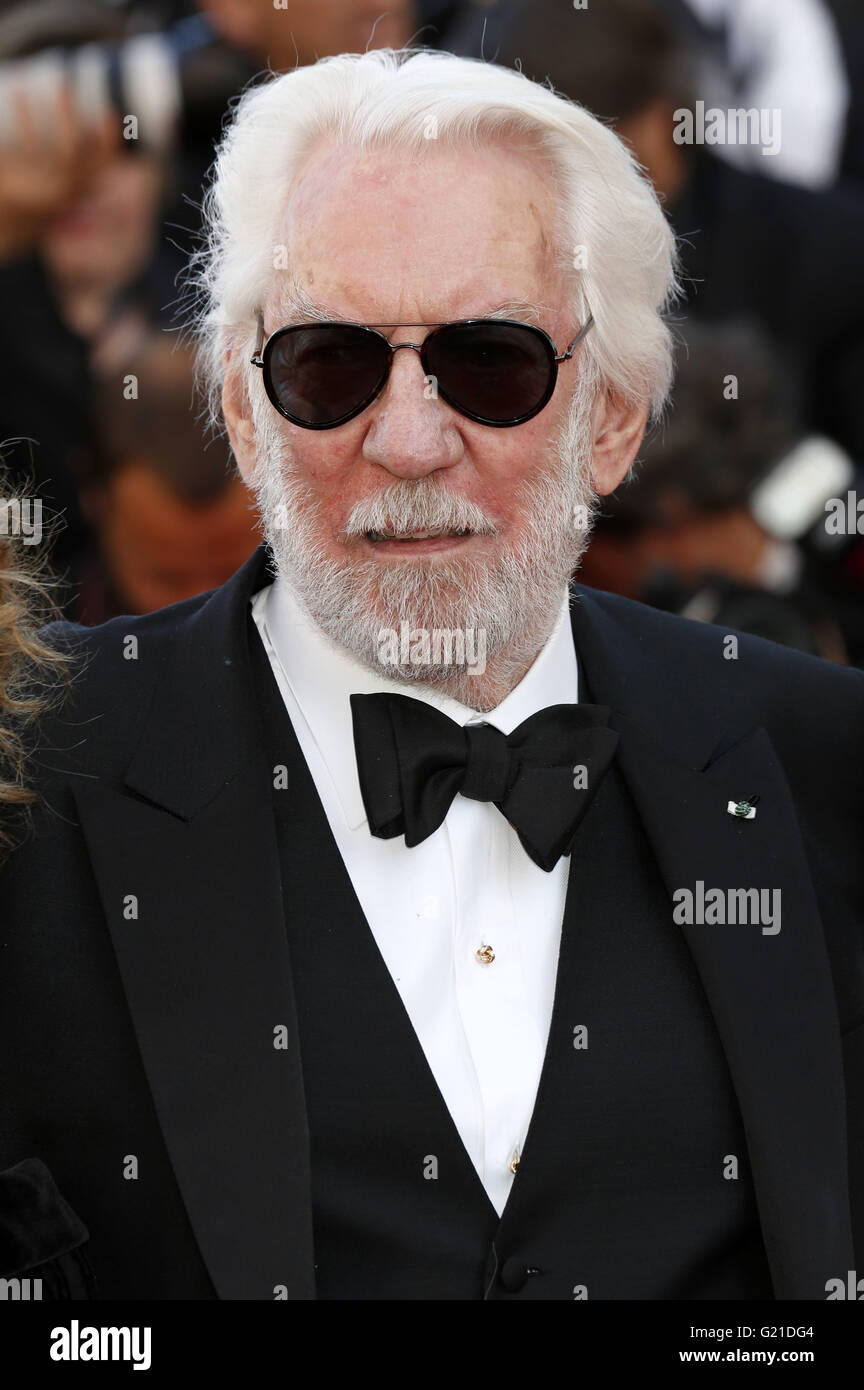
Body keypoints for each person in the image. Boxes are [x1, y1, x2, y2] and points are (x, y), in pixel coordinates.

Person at [0, 48, 862, 1301]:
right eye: (329, 366)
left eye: (493, 363)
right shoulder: (33, 782)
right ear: (244, 412)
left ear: (612, 418)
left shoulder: (822, 762)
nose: (406, 440)